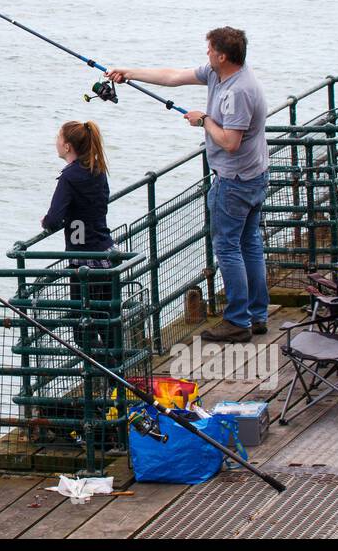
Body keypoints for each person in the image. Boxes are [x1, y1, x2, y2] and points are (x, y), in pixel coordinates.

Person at [107, 27, 270, 343]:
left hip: (236, 181)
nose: (206, 53)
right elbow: (173, 76)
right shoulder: (217, 73)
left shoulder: (239, 92)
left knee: (228, 247)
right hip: (251, 176)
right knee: (249, 242)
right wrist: (130, 73)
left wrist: (204, 120)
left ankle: (238, 321)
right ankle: (256, 314)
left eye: (209, 49)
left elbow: (231, 142)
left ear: (222, 55)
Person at [40, 120, 116, 351]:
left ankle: (108, 374)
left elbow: (53, 219)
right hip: (106, 252)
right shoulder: (97, 169)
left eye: (58, 137)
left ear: (67, 147)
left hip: (84, 260)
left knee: (82, 328)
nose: (56, 141)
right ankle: (117, 371)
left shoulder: (69, 177)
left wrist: (46, 222)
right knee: (108, 323)